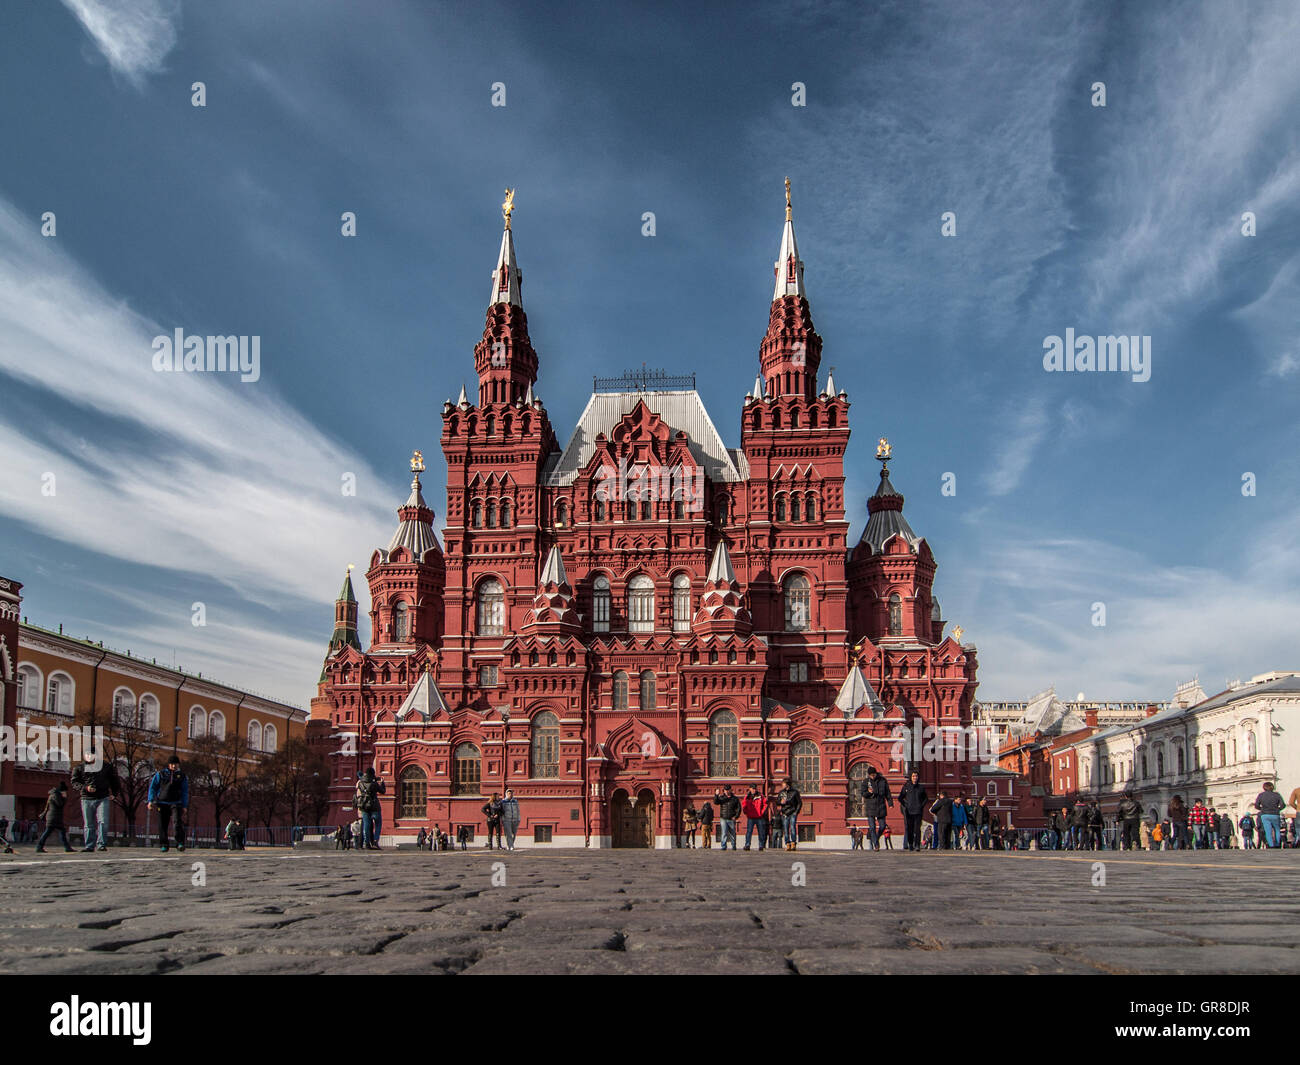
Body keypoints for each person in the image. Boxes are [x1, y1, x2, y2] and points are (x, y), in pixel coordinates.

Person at [71, 751, 120, 852]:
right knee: (88, 823)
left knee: (103, 821)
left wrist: (114, 794)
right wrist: (85, 788)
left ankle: (101, 844)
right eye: (86, 755)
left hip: (103, 797)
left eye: (91, 755)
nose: (88, 757)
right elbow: (74, 782)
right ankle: (89, 845)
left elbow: (114, 780)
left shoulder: (106, 766)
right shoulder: (79, 768)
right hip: (86, 798)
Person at [147, 756, 189, 853]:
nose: (174, 766)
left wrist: (184, 805)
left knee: (177, 822)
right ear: (169, 764)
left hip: (176, 802)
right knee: (162, 825)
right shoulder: (161, 774)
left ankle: (180, 843)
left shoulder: (182, 776)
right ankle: (164, 844)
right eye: (172, 764)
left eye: (176, 764)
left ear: (178, 765)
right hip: (162, 802)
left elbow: (184, 791)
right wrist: (150, 800)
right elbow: (153, 787)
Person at [35, 782, 73, 852]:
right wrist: (64, 798)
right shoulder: (56, 795)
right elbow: (60, 804)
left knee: (56, 832)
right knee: (50, 832)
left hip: (54, 817)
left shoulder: (54, 794)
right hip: (54, 818)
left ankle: (67, 847)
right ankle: (39, 847)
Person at [355, 767, 385, 850]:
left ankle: (367, 843)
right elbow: (383, 791)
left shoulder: (360, 783)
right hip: (374, 806)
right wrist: (382, 783)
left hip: (364, 806)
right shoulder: (374, 784)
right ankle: (375, 841)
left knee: (366, 826)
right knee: (378, 823)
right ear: (372, 774)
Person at [898, 771, 928, 852]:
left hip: (918, 811)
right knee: (909, 828)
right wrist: (906, 805)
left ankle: (917, 845)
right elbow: (900, 797)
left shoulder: (921, 787)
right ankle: (910, 844)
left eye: (916, 776)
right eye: (913, 776)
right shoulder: (906, 786)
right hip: (909, 811)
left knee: (917, 829)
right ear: (911, 777)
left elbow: (926, 798)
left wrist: (921, 806)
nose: (915, 778)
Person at [1255, 782, 1285, 848]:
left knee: (1268, 830)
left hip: (1265, 815)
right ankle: (1277, 844)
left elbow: (1256, 805)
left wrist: (1262, 809)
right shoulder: (1277, 795)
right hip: (1275, 814)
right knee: (1277, 829)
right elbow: (1283, 805)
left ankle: (1271, 845)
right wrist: (1278, 809)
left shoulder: (1261, 795)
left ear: (1264, 787)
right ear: (1272, 787)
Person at [862, 777, 888, 851]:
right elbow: (863, 793)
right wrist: (869, 792)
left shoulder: (882, 781)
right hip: (870, 808)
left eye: (873, 774)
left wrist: (890, 802)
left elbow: (887, 792)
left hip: (880, 806)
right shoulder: (866, 782)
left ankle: (876, 837)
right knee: (872, 828)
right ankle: (876, 845)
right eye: (871, 775)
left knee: (883, 826)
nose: (872, 776)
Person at [778, 777, 802, 851]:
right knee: (785, 828)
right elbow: (777, 802)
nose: (782, 785)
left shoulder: (795, 792)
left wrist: (796, 812)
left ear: (787, 784)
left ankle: (793, 843)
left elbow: (799, 803)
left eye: (783, 784)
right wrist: (780, 802)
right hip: (785, 813)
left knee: (792, 828)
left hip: (792, 812)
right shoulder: (781, 792)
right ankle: (787, 843)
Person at [717, 786, 741, 851]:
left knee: (732, 833)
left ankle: (733, 845)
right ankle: (723, 846)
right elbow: (716, 802)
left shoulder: (735, 798)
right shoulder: (722, 798)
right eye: (725, 790)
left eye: (728, 790)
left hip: (731, 818)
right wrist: (716, 795)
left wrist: (736, 816)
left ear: (731, 790)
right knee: (724, 833)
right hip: (723, 818)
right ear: (724, 791)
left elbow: (739, 808)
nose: (727, 791)